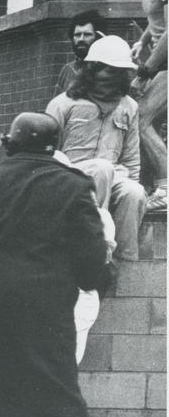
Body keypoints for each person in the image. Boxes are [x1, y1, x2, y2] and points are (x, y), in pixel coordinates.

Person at [0, 113, 119, 417]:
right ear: (54, 146)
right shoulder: (73, 185)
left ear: (11, 142)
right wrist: (98, 281)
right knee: (61, 391)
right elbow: (91, 255)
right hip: (44, 305)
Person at [45, 35, 145, 261]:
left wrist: (128, 177)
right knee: (101, 169)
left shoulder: (129, 107)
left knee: (134, 192)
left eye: (121, 72)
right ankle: (94, 254)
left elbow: (131, 159)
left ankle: (126, 264)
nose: (115, 78)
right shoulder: (63, 104)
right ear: (92, 69)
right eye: (110, 71)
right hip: (69, 177)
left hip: (113, 175)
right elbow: (47, 154)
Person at [112, 0, 168, 210]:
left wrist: (146, 71)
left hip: (166, 65)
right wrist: (143, 41)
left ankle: (166, 187)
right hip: (162, 63)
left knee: (141, 118)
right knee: (141, 115)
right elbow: (157, 19)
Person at [54, 10, 107, 96]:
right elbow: (56, 107)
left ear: (97, 37)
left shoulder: (108, 69)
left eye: (87, 34)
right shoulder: (67, 70)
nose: (81, 39)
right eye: (77, 35)